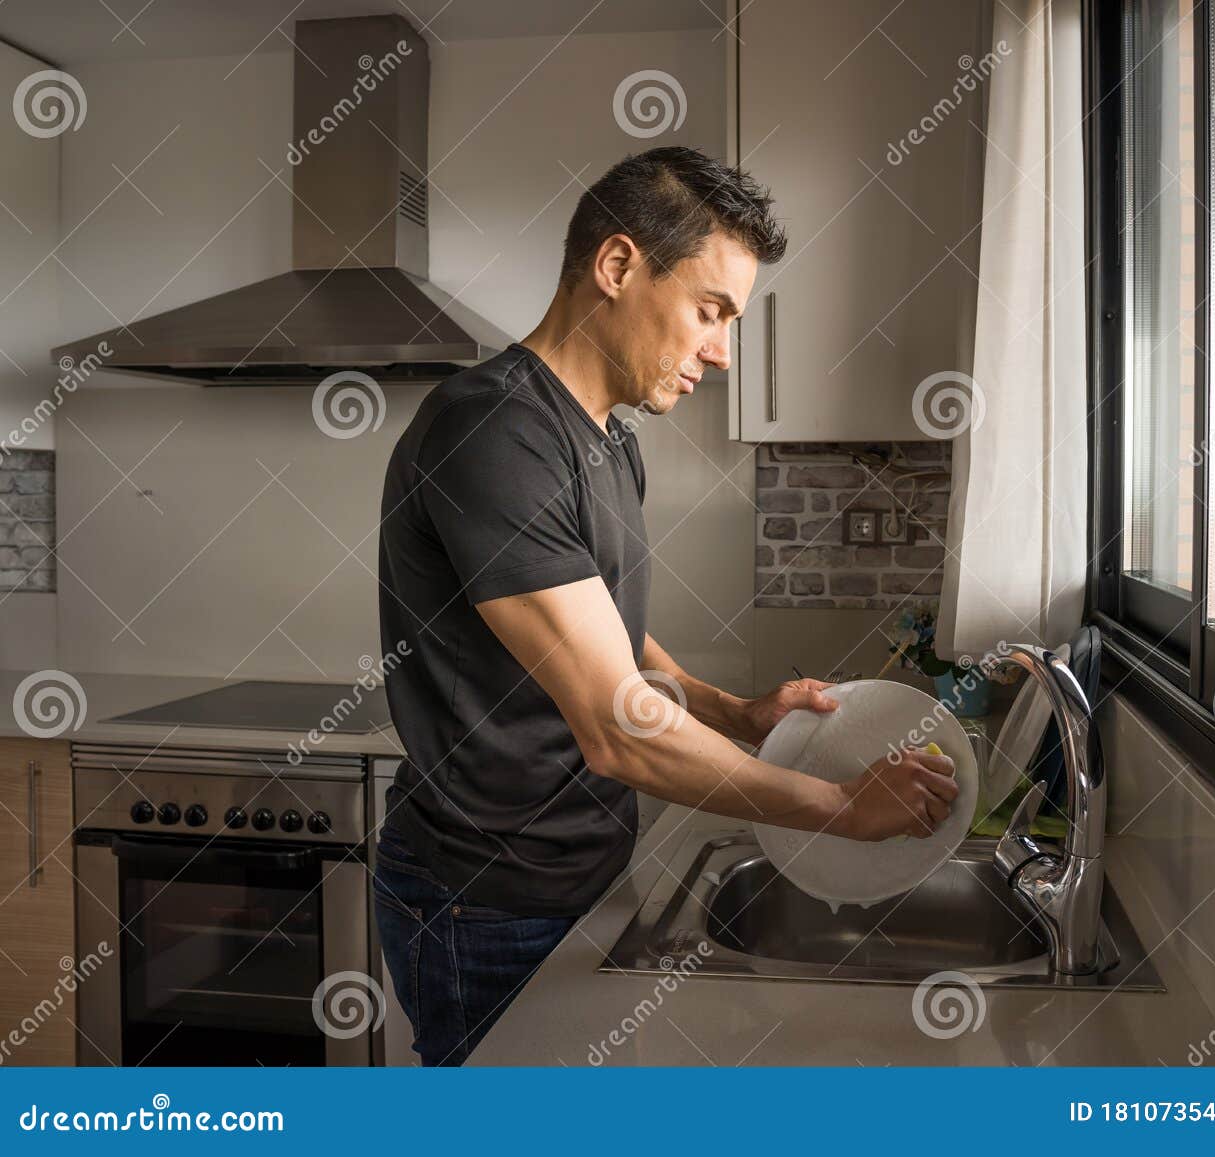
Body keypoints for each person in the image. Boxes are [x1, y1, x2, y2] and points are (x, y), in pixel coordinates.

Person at [373, 146, 957, 1065]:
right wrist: (842, 805)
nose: (722, 351)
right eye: (710, 310)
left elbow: (604, 634)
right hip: (483, 900)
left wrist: (731, 711)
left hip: (576, 875)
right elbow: (617, 726)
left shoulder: (607, 438)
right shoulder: (492, 430)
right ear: (616, 267)